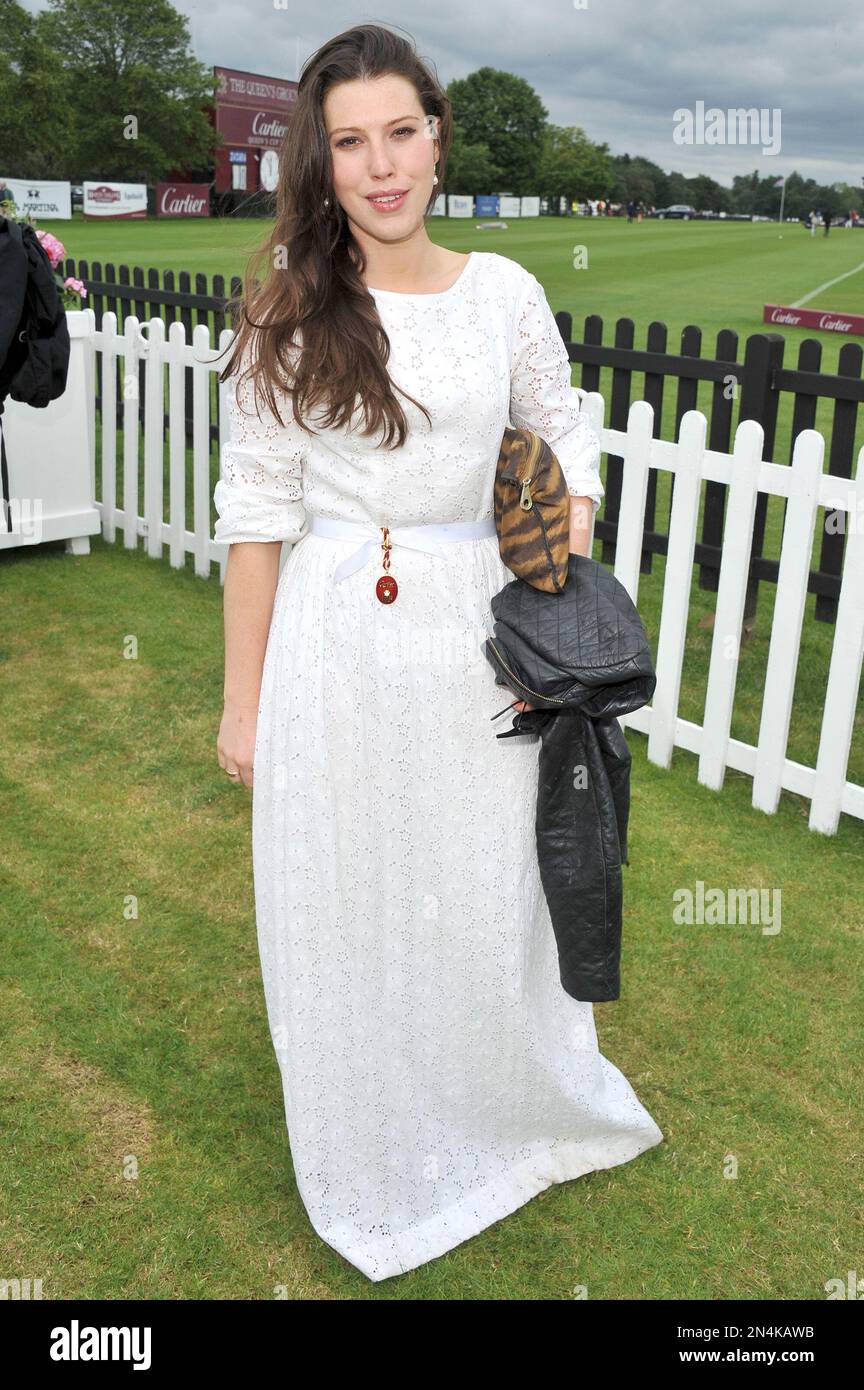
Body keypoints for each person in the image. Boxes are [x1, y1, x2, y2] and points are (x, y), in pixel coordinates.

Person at [213, 22, 663, 1284]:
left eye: (400, 131)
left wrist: (555, 542)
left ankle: (505, 1103)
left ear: (437, 134)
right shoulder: (290, 309)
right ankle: (379, 1140)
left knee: (483, 887)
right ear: (323, 158)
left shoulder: (507, 291)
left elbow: (565, 445)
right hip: (338, 631)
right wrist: (242, 705)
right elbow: (256, 523)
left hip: (487, 637)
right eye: (349, 142)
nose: (381, 164)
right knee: (349, 892)